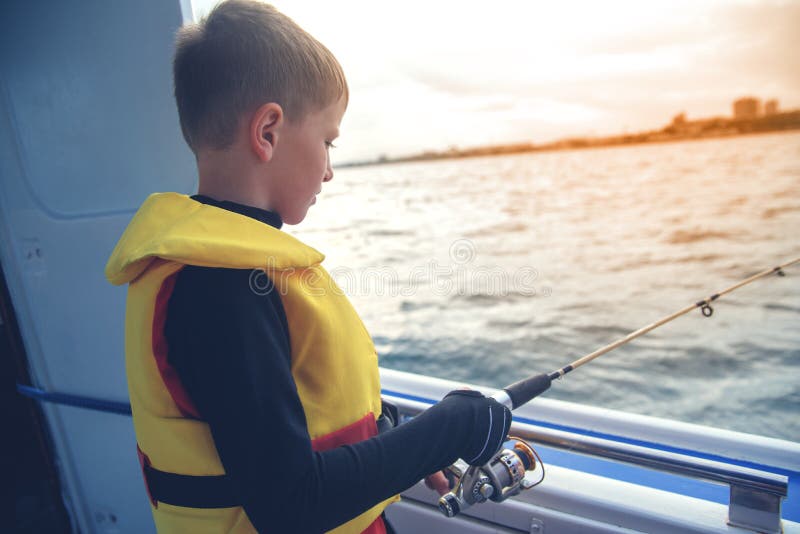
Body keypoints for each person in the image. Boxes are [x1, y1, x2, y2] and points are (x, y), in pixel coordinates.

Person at [104, 1, 512, 532]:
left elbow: (307, 406)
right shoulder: (220, 287)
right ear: (268, 131)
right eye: (327, 141)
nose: (329, 170)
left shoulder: (229, 270)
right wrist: (454, 426)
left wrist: (395, 432)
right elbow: (292, 504)